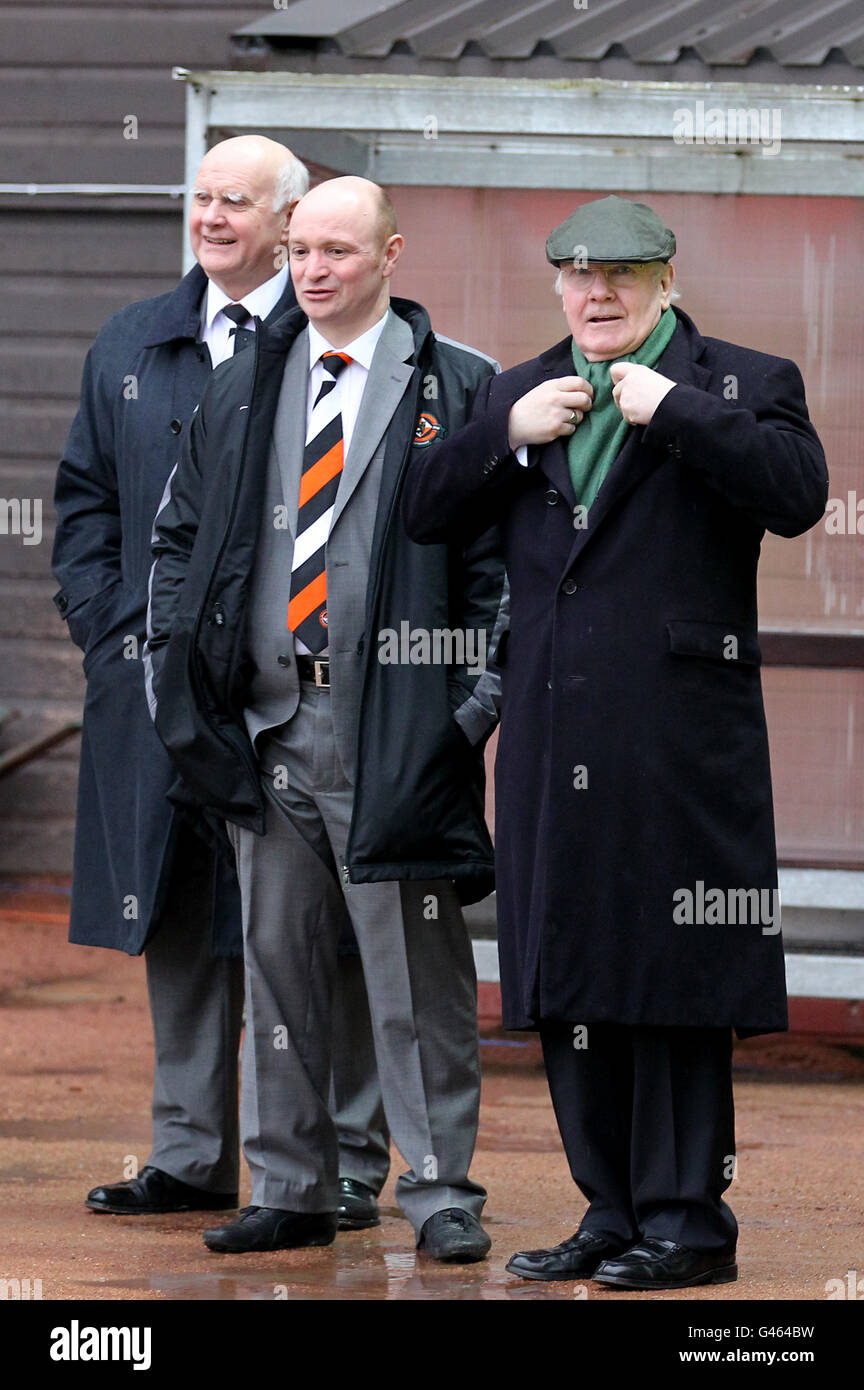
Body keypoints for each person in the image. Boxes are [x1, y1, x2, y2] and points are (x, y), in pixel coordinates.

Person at [402, 195, 828, 1290]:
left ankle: (689, 1223)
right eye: (579, 277)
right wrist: (503, 435)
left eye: (621, 277)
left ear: (666, 280)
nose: (597, 295)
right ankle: (609, 1208)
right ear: (557, 285)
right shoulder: (518, 388)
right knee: (569, 967)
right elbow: (422, 508)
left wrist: (675, 409)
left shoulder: (742, 379)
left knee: (675, 971)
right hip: (553, 726)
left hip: (678, 735)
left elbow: (799, 495)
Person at [145, 176, 505, 1261]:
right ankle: (292, 1187)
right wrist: (180, 679)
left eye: (338, 252)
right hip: (265, 728)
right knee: (279, 971)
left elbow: (504, 573)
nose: (312, 270)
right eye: (300, 249)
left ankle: (440, 1192)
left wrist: (469, 715)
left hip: (398, 731)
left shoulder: (460, 384)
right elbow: (178, 538)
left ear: (391, 253)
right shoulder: (246, 381)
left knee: (415, 977)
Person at [52, 137, 388, 1232]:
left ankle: (342, 1160)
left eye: (235, 202)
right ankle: (191, 1152)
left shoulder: (335, 341)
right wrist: (118, 642)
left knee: (320, 932)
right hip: (165, 698)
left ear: (288, 221)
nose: (210, 217)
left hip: (298, 698)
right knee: (183, 919)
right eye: (199, 197)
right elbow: (86, 507)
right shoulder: (134, 344)